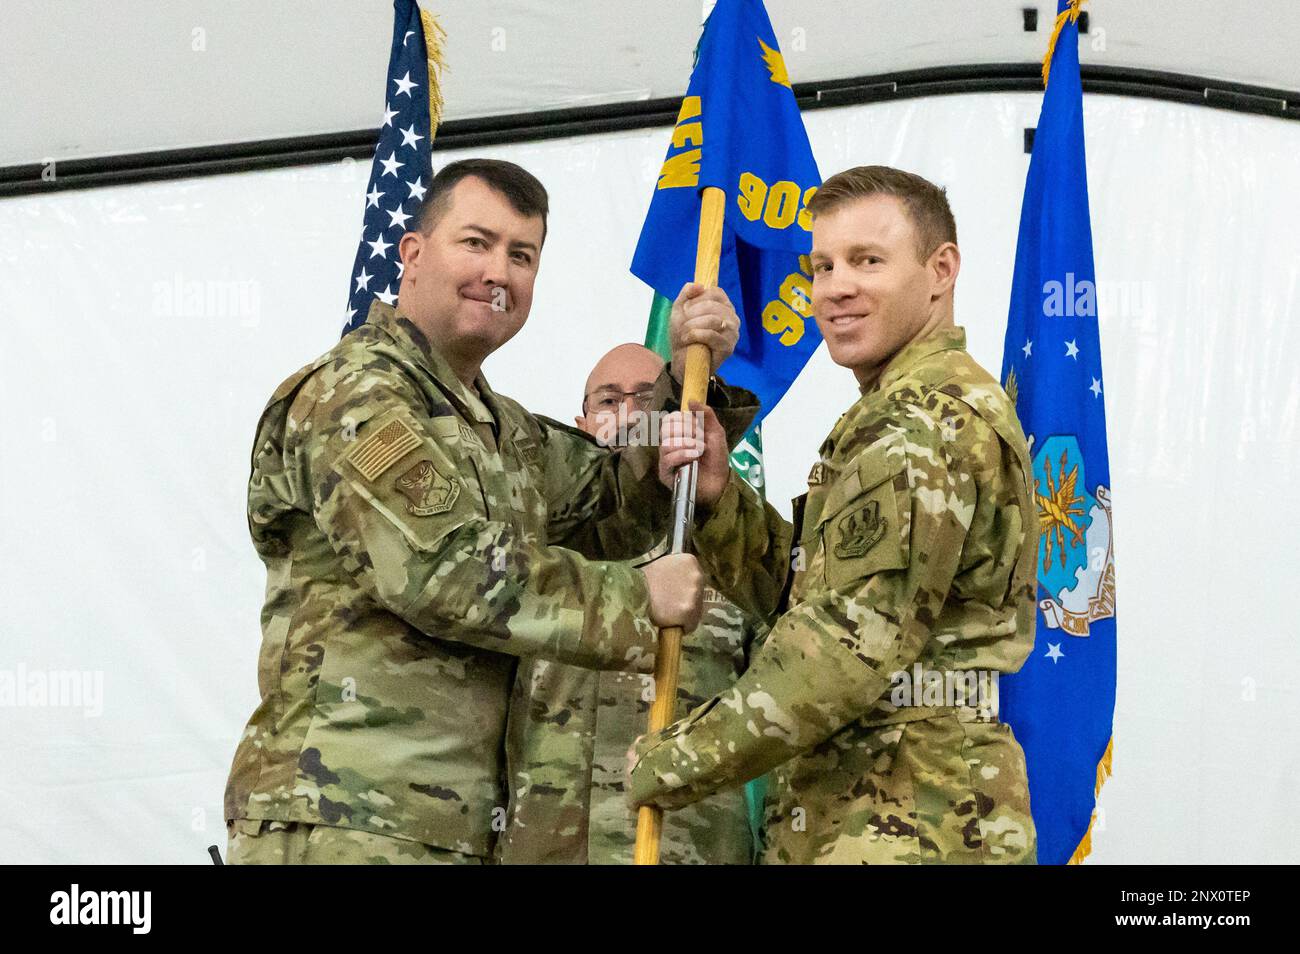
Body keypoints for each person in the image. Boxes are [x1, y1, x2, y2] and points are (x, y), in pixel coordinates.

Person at [223, 158, 749, 864]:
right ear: (412, 254)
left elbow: (614, 495)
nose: (499, 272)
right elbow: (442, 570)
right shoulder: (354, 393)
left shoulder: (501, 429)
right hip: (347, 817)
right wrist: (638, 597)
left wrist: (693, 373)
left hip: (461, 831)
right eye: (476, 243)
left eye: (521, 255)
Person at [628, 165, 1040, 864]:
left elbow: (840, 651)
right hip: (884, 810)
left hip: (908, 821)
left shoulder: (921, 423)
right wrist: (720, 503)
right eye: (821, 266)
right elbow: (813, 599)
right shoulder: (903, 408)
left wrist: (671, 761)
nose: (835, 288)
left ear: (941, 270)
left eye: (867, 261)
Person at [496, 342, 763, 865]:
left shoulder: (729, 537)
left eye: (648, 399)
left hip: (688, 845)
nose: (628, 416)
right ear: (582, 422)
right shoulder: (535, 543)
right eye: (609, 401)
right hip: (546, 843)